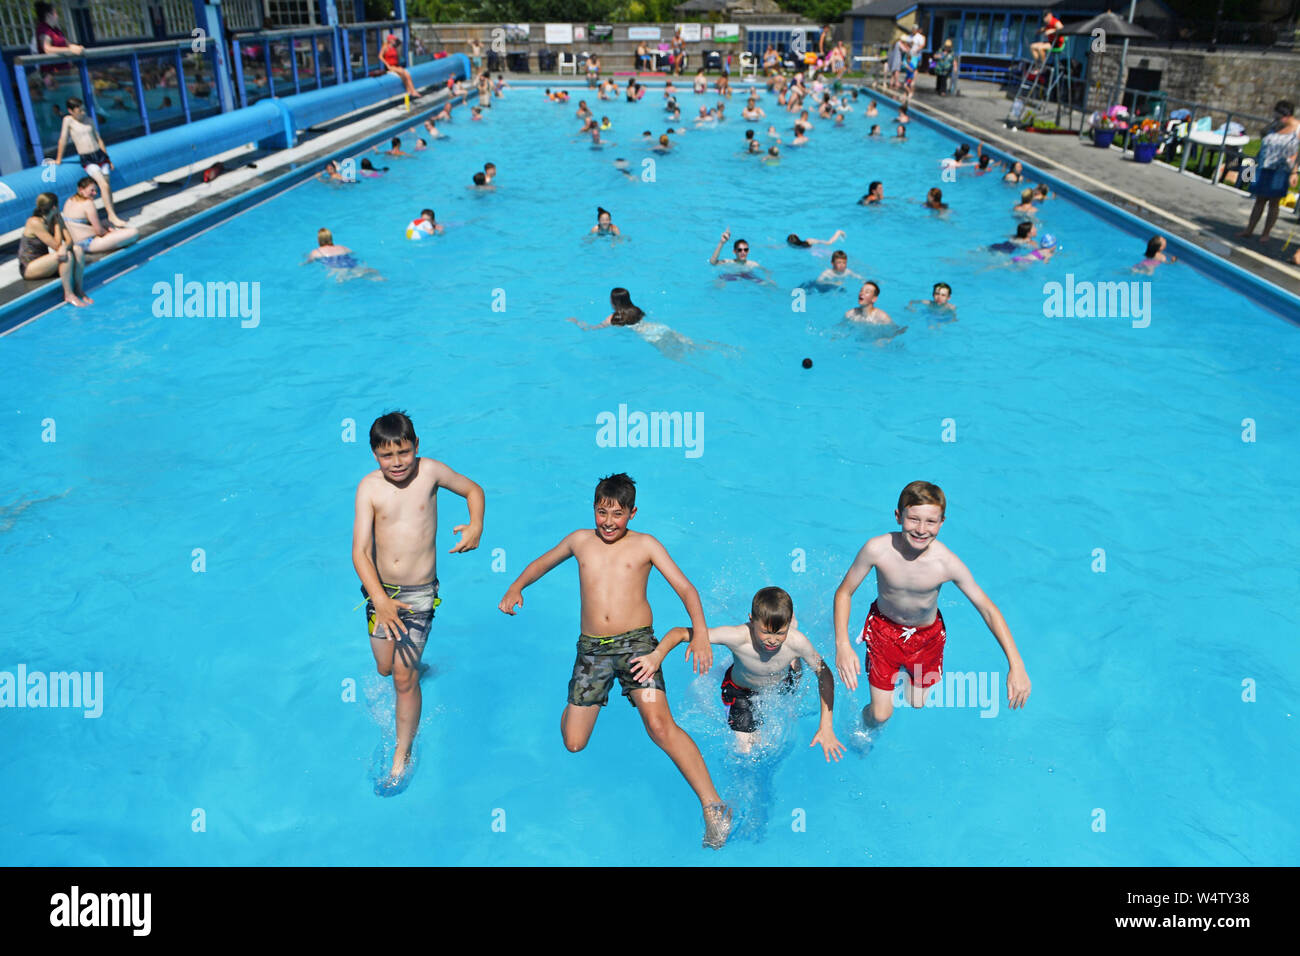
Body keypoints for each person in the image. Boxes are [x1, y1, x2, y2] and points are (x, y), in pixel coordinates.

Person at [497, 473, 732, 849]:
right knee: (573, 743)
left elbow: (687, 588)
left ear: (633, 513)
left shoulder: (646, 546)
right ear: (593, 509)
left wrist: (701, 633)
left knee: (659, 726)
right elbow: (542, 563)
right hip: (592, 651)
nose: (608, 521)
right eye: (602, 512)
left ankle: (713, 805)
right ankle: (578, 698)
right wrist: (516, 586)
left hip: (638, 646)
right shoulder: (579, 541)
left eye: (617, 514)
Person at [833, 481, 1030, 732]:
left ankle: (899, 672)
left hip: (926, 639)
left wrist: (1016, 664)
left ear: (942, 523)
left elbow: (988, 609)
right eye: (913, 519)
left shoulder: (946, 563)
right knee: (881, 715)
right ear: (898, 516)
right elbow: (845, 592)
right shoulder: (877, 550)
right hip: (884, 631)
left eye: (930, 522)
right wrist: (843, 645)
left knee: (916, 702)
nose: (921, 529)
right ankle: (862, 727)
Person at [353, 413, 482, 795]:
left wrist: (476, 523)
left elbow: (474, 490)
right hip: (381, 593)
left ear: (417, 447)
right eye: (386, 455)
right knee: (383, 668)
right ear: (375, 454)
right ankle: (418, 666)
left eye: (404, 453)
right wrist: (379, 598)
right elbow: (360, 552)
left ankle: (401, 753)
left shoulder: (431, 473)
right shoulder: (369, 489)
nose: (396, 463)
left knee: (402, 679)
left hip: (419, 595)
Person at [650, 588, 842, 760]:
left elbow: (824, 674)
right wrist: (656, 656)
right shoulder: (737, 636)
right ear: (751, 620)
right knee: (746, 751)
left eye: (780, 633)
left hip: (780, 681)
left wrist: (826, 725)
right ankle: (786, 649)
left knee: (796, 663)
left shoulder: (796, 641)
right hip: (741, 691)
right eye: (766, 632)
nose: (773, 641)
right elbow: (680, 633)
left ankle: (793, 653)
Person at [52, 98, 128, 227]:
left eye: (83, 110)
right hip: (87, 158)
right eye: (78, 111)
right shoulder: (68, 121)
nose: (82, 113)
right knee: (103, 185)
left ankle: (112, 213)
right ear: (70, 111)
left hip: (99, 155)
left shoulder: (89, 120)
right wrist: (58, 159)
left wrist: (108, 159)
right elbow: (63, 140)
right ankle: (112, 216)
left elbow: (98, 139)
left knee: (107, 185)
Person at [1237, 100, 1299, 243]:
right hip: (1263, 166)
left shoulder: (1297, 129)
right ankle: (1249, 229)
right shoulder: (1275, 125)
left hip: (1280, 170)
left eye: (1280, 116)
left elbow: (1297, 154)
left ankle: (1266, 233)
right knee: (1259, 200)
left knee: (1273, 202)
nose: (1277, 118)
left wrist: (1294, 172)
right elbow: (1263, 138)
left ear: (1288, 115)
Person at [18, 192, 90, 306]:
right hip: (29, 267)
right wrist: (57, 224)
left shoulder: (55, 216)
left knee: (77, 250)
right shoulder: (34, 222)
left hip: (46, 262)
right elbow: (56, 245)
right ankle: (69, 294)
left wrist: (65, 247)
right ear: (54, 207)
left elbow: (70, 240)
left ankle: (79, 290)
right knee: (65, 256)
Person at [61, 176, 138, 254]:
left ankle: (115, 238)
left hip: (76, 242)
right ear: (81, 189)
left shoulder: (69, 200)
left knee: (105, 222)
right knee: (133, 233)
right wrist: (111, 234)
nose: (95, 193)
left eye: (96, 191)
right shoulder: (88, 204)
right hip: (87, 244)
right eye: (92, 190)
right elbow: (99, 232)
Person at [304, 227, 383, 281]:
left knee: (342, 278)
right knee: (360, 271)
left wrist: (303, 263)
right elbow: (353, 253)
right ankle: (378, 278)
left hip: (336, 267)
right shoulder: (341, 247)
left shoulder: (316, 252)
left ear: (319, 240)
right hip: (350, 263)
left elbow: (309, 261)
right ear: (330, 238)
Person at [380, 34, 419, 100]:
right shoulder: (385, 47)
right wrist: (387, 65)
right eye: (393, 40)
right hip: (390, 66)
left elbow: (399, 42)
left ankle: (412, 90)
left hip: (396, 65)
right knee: (402, 72)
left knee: (407, 74)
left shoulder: (393, 47)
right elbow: (380, 56)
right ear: (390, 40)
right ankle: (410, 90)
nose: (395, 40)